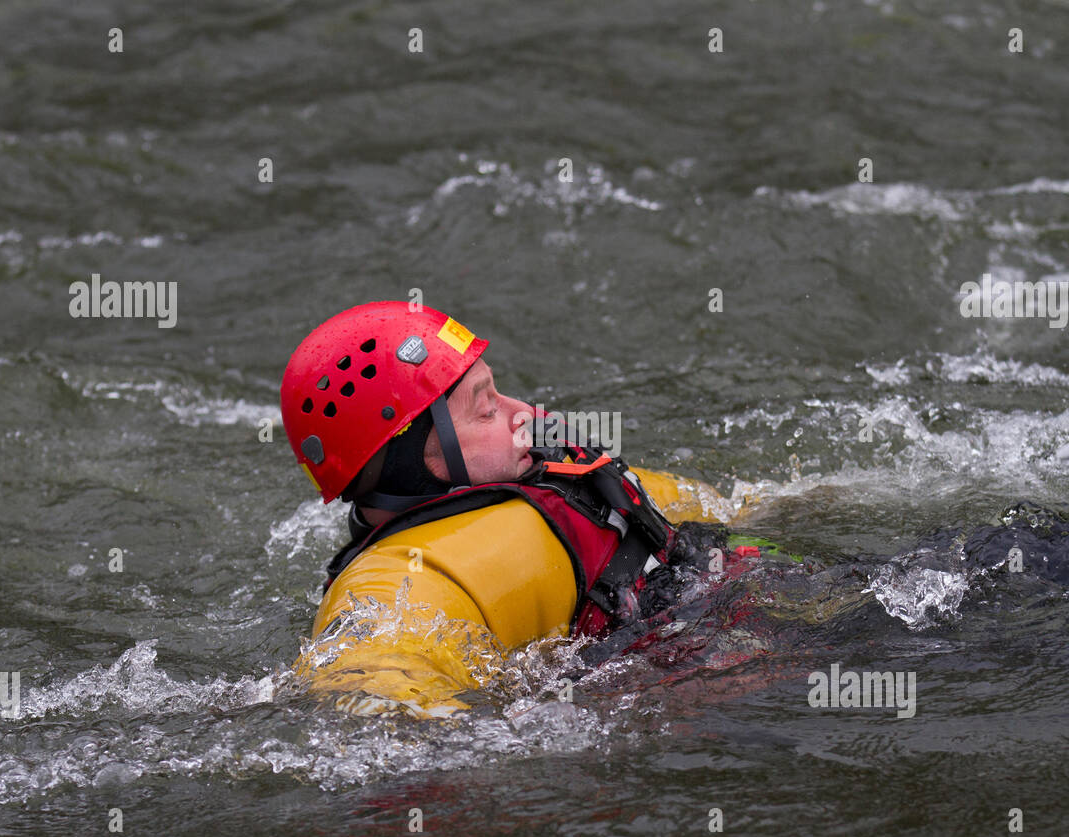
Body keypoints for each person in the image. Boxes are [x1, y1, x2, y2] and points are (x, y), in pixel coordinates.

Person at [279, 301, 738, 716]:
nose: (525, 414)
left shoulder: (559, 477)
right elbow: (373, 701)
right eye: (486, 409)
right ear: (407, 462)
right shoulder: (399, 583)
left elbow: (729, 504)